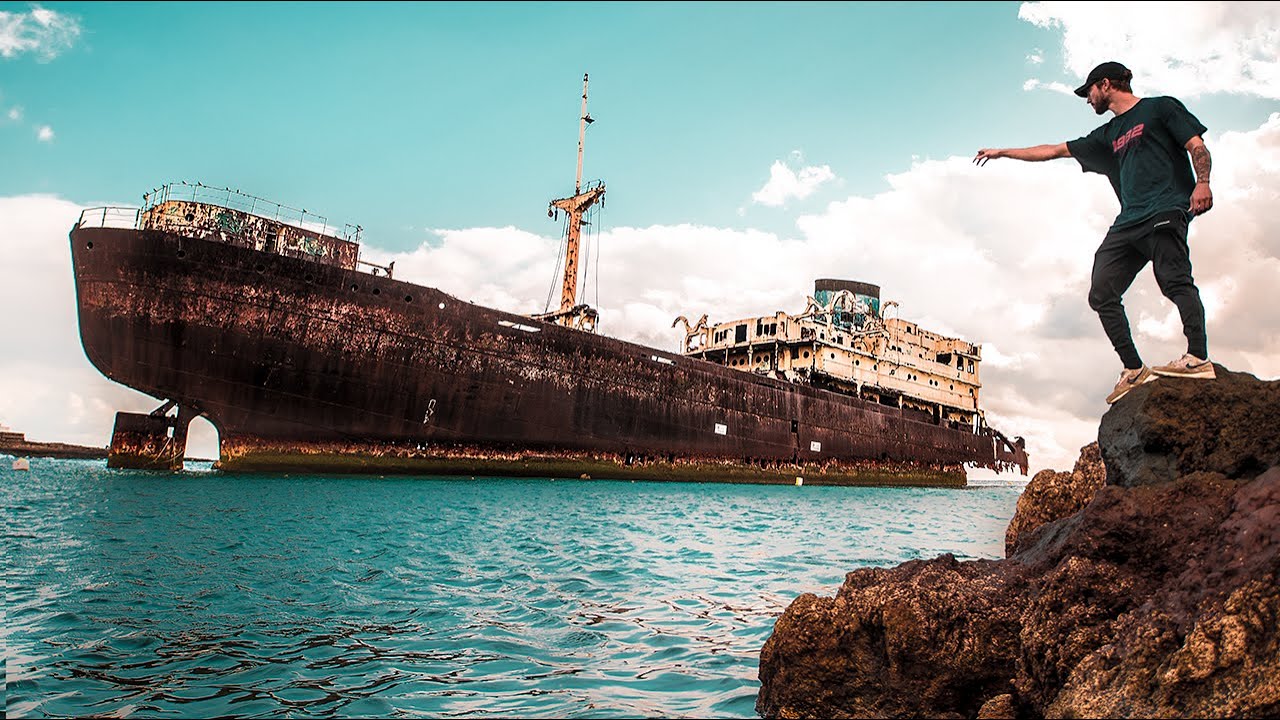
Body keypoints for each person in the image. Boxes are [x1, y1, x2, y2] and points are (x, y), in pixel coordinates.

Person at [974, 61, 1216, 404]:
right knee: (1101, 293)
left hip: (1166, 208)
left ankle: (1197, 357)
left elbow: (1196, 146)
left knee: (1173, 280)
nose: (1088, 100)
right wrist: (1004, 153)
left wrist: (1203, 183)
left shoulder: (1160, 108)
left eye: (1088, 92)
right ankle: (1133, 370)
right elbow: (1054, 150)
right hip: (1129, 220)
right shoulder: (1108, 134)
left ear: (1105, 85)